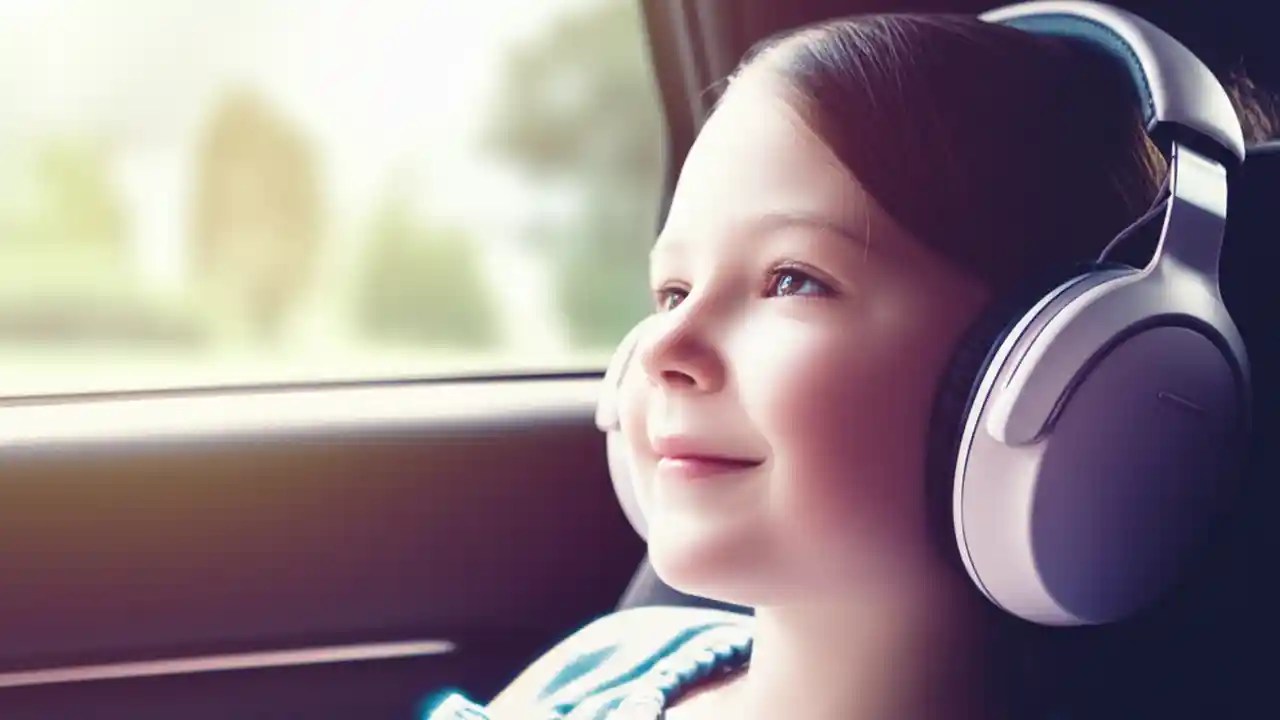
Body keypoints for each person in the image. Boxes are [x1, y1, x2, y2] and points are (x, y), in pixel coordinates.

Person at [424, 10, 1276, 720]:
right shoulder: (608, 665)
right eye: (673, 290)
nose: (665, 351)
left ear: (1059, 370)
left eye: (792, 279)